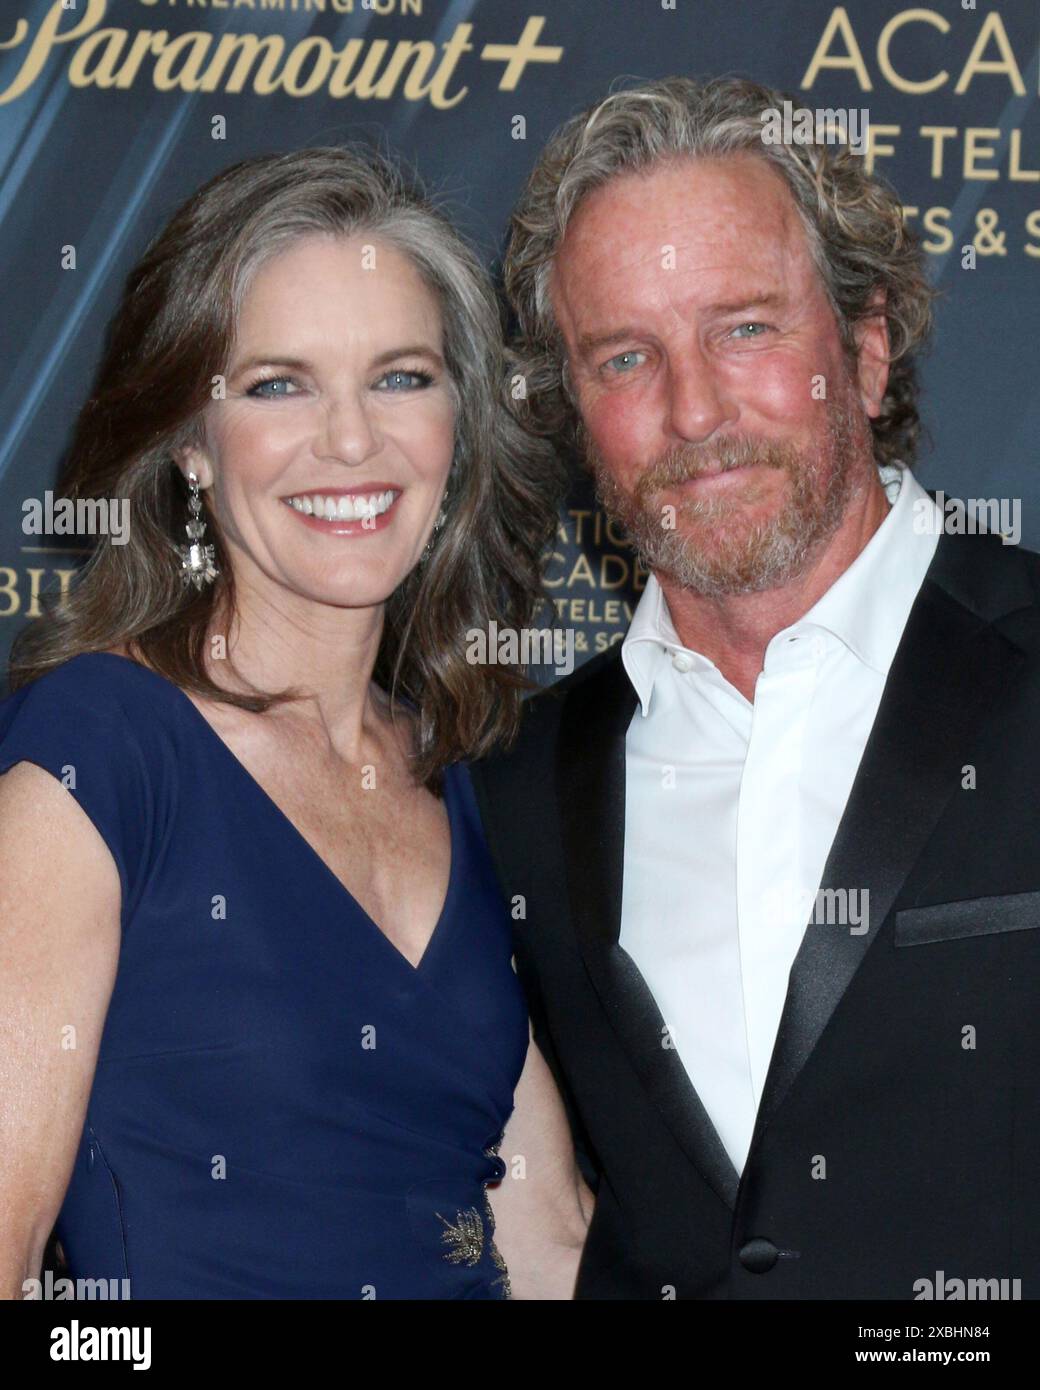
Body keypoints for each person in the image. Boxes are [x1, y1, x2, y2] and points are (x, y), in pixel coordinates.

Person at [470, 74, 1040, 1299]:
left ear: (867, 350)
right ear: (574, 409)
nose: (693, 411)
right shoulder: (509, 787)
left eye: (744, 327)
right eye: (625, 356)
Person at [0, 144, 592, 1300]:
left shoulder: (460, 774)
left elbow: (549, 1236)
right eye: (278, 384)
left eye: (400, 377)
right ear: (187, 443)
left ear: (459, 427)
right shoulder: (102, 755)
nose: (352, 441)